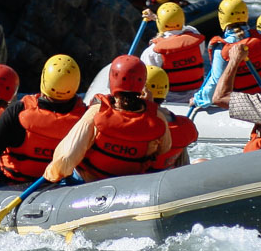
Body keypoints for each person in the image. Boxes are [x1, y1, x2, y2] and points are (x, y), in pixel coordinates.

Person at [0, 54, 87, 189]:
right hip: (56, 187)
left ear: (44, 79)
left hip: (11, 184)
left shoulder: (18, 111)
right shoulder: (85, 117)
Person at [45, 55, 170, 183]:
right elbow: (165, 149)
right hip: (132, 186)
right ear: (143, 82)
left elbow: (66, 157)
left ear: (112, 80)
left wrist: (50, 176)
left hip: (90, 184)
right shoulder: (157, 117)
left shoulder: (97, 112)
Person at [192, 0, 261, 107]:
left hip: (241, 103)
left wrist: (198, 100)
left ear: (222, 18)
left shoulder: (222, 47)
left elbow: (216, 82)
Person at [139, 1, 208, 101]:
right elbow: (185, 29)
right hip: (196, 95)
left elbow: (148, 80)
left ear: (160, 23)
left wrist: (157, 19)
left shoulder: (152, 52)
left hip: (169, 99)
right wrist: (156, 18)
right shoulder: (197, 39)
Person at [145, 65, 198, 170]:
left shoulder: (139, 125)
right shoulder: (184, 125)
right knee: (199, 161)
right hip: (170, 174)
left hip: (143, 177)